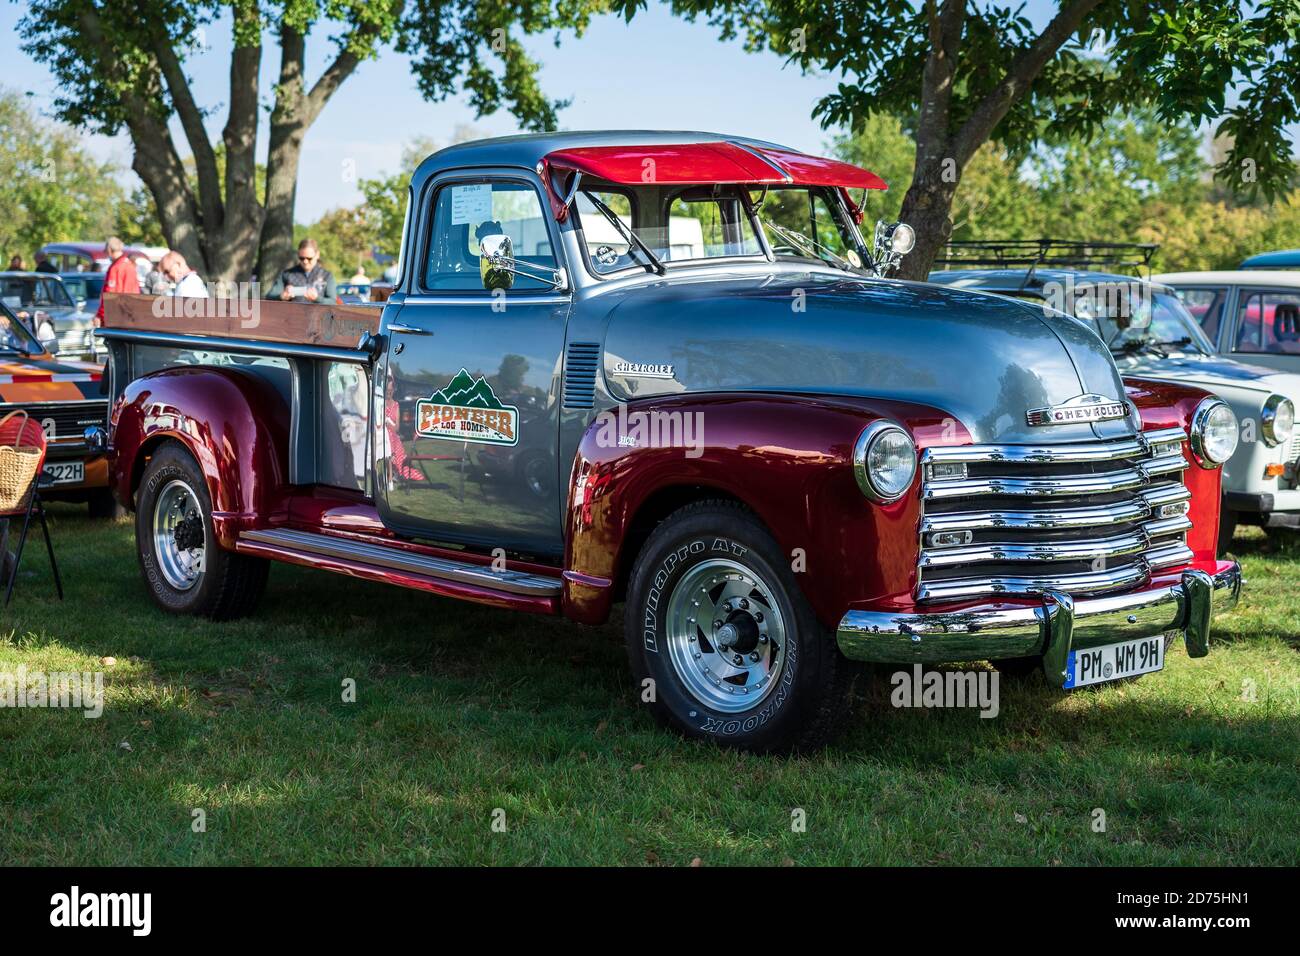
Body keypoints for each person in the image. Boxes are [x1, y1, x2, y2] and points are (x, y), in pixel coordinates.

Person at [267, 239, 336, 303]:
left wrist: (317, 299)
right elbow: (269, 297)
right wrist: (281, 296)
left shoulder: (326, 276)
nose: (305, 261)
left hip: (317, 312)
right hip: (293, 312)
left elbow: (332, 302)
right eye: (302, 258)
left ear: (317, 255)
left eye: (309, 258)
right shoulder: (287, 274)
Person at [96, 236, 141, 322]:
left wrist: (100, 315)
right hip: (130, 314)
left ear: (109, 250)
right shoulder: (130, 265)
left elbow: (110, 295)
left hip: (115, 315)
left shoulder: (116, 268)